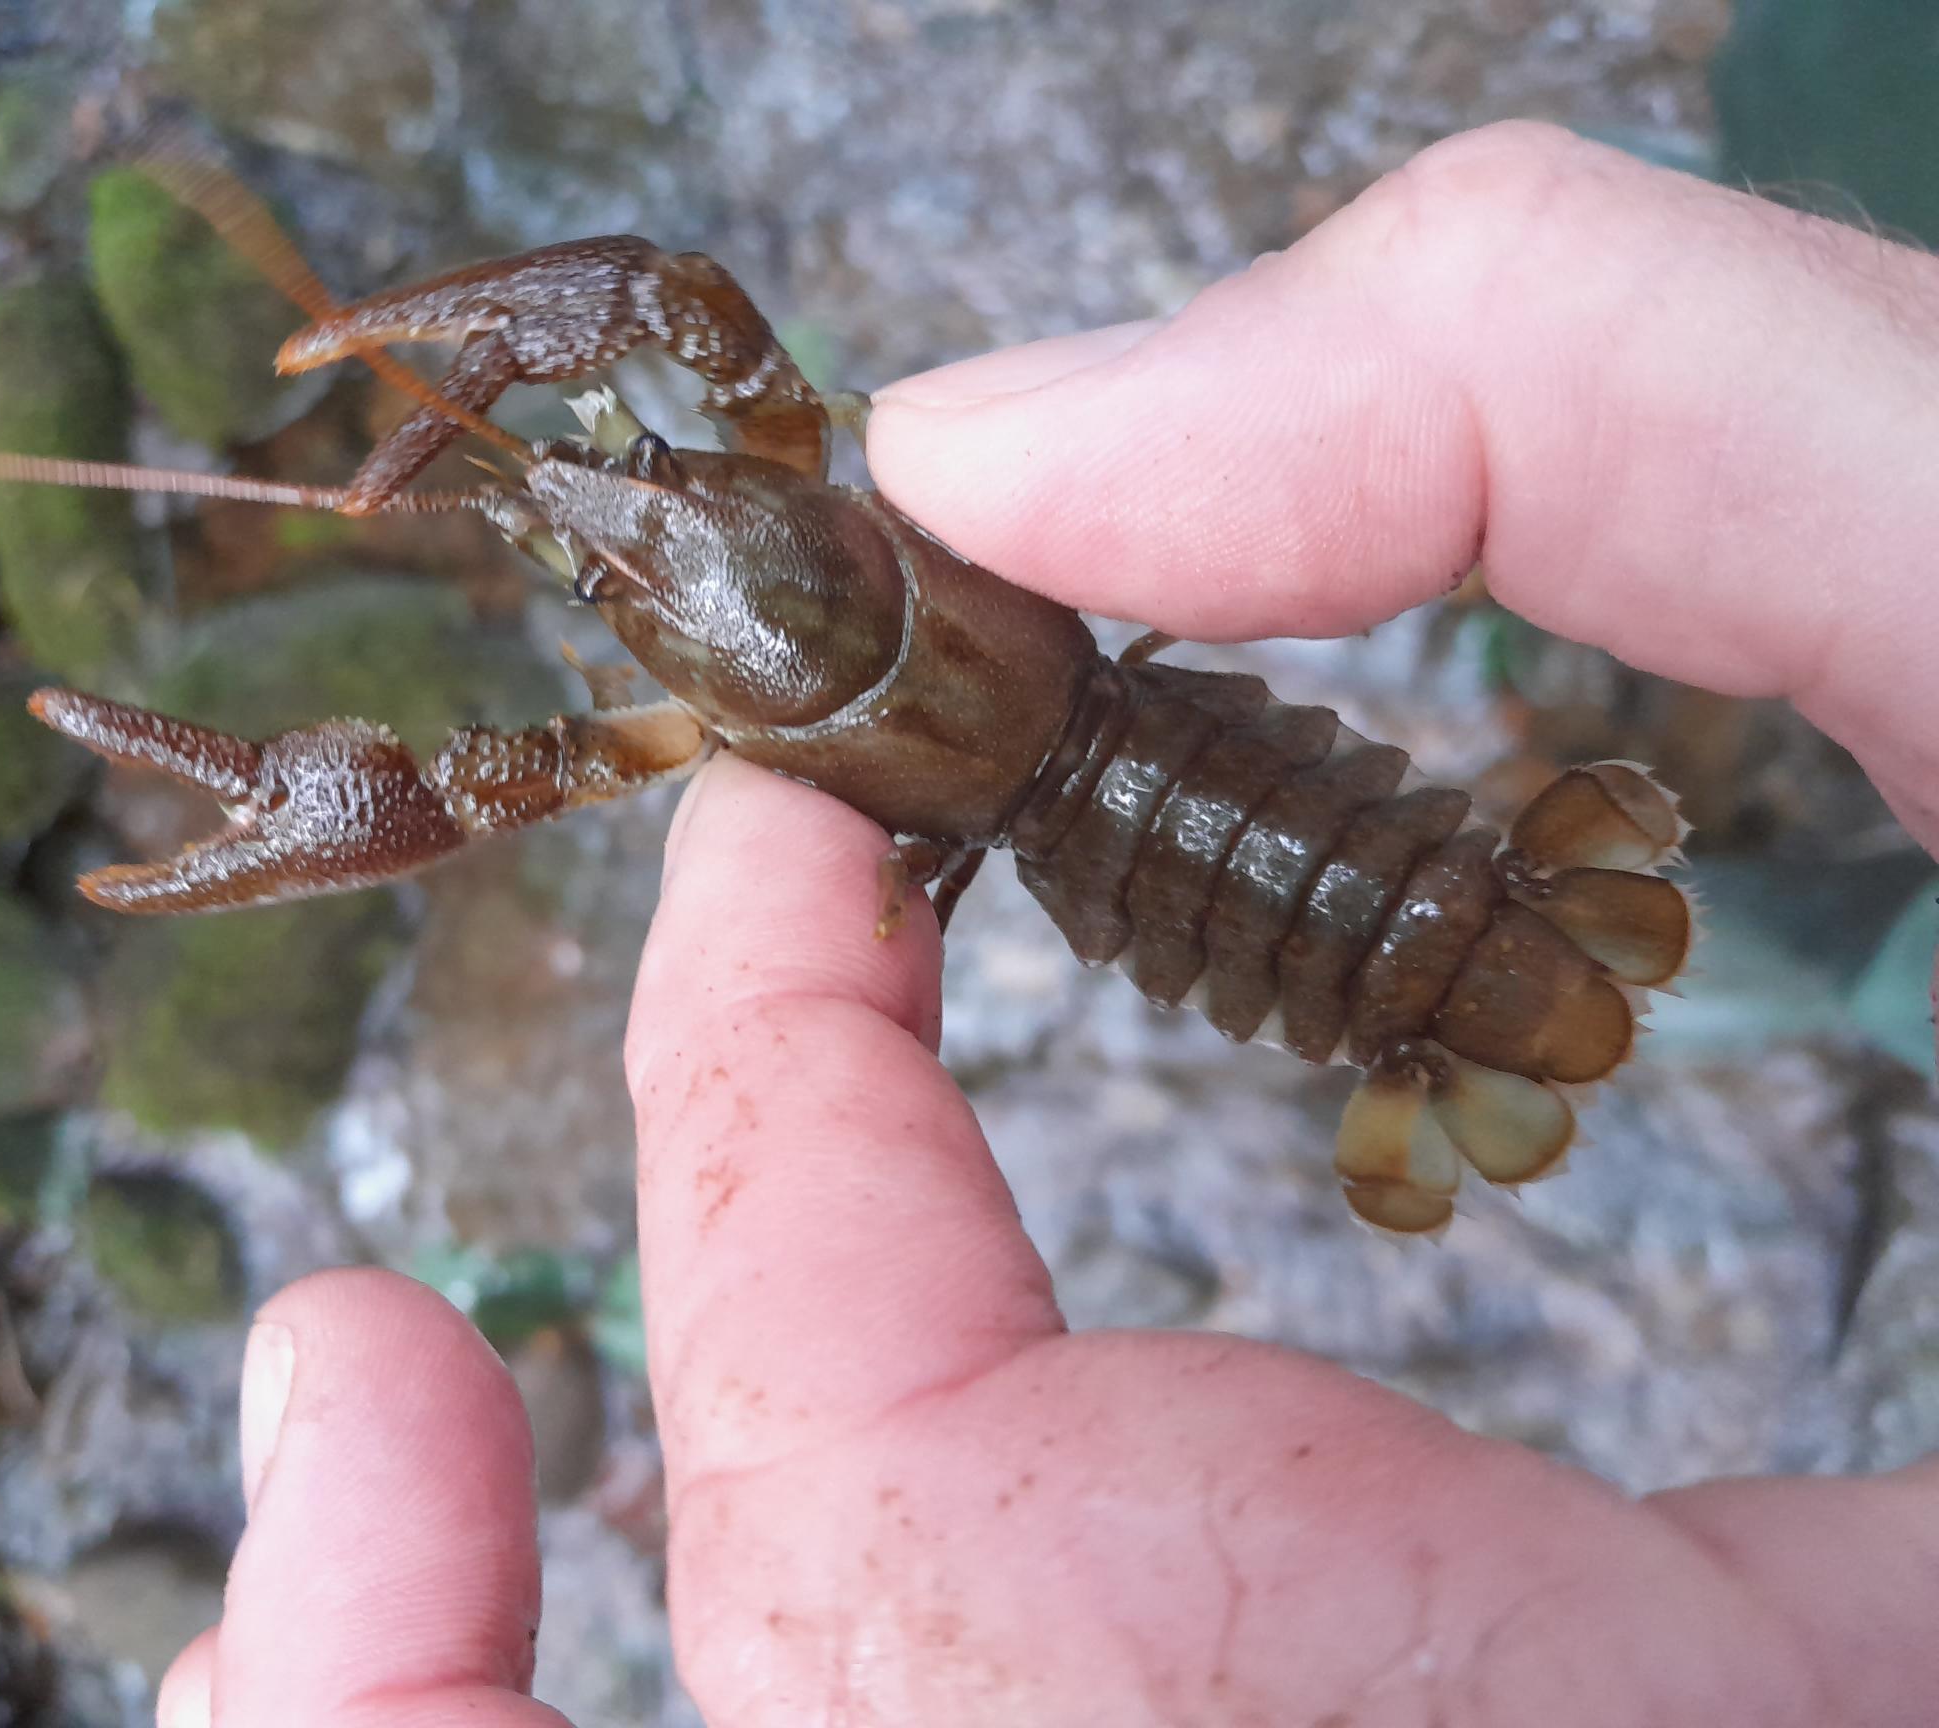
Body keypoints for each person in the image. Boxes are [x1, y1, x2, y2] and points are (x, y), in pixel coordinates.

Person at [158, 124, 1939, 1728]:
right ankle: (1813, 949)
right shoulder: (792, 454)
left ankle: (1812, 969)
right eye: (594, 551)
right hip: (1281, 814)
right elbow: (669, 304)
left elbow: (515, 703)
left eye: (603, 502)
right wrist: (620, 458)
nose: (598, 518)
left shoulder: (657, 723)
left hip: (1202, 861)